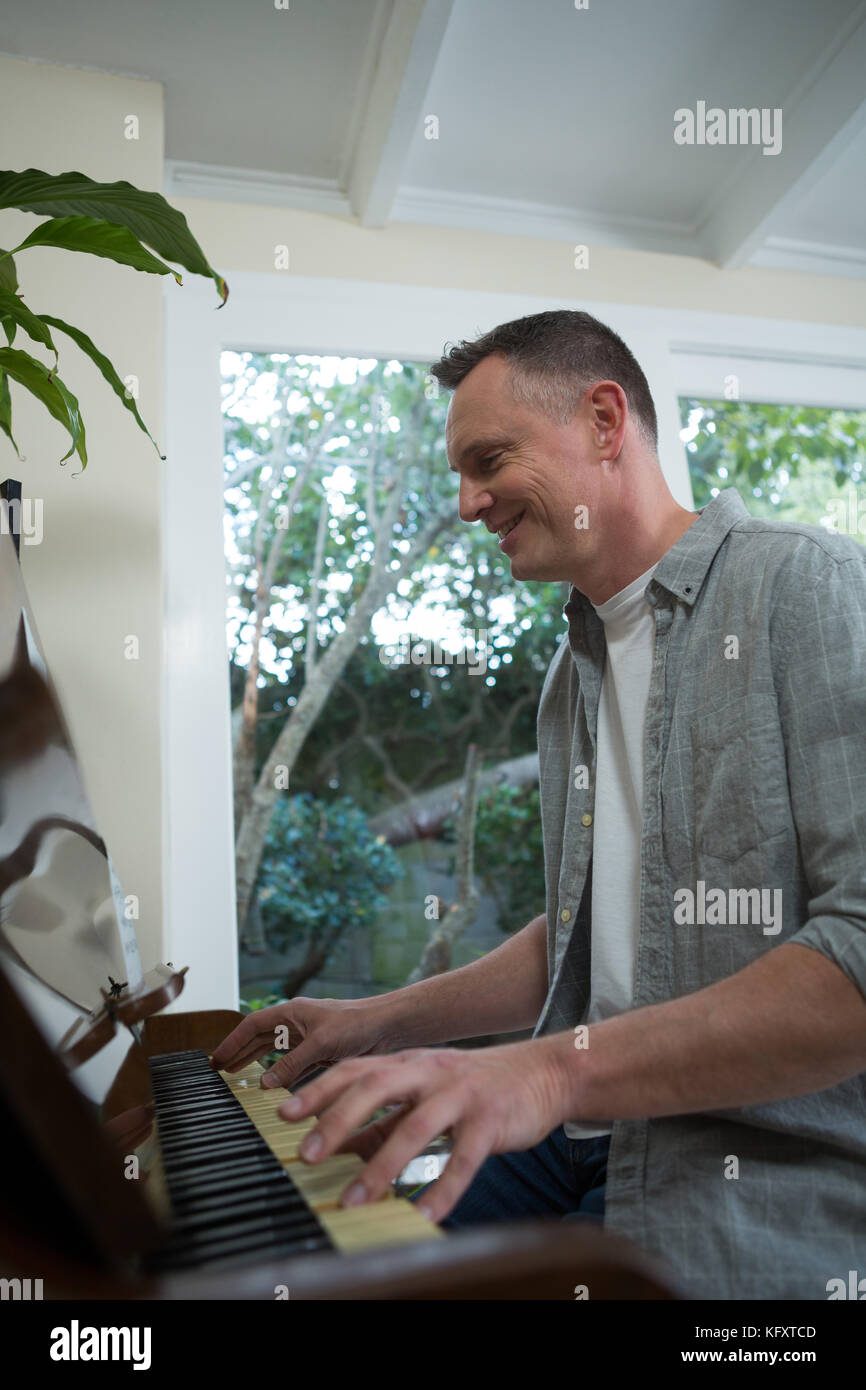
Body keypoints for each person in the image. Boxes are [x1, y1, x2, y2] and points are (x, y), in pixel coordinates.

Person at [211, 310, 866, 1299]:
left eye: (487, 460)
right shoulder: (571, 675)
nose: (468, 503)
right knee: (294, 1256)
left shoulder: (802, 589)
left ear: (604, 420)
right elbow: (578, 931)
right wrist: (367, 1022)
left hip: (738, 1166)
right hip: (577, 1142)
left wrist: (547, 1072)